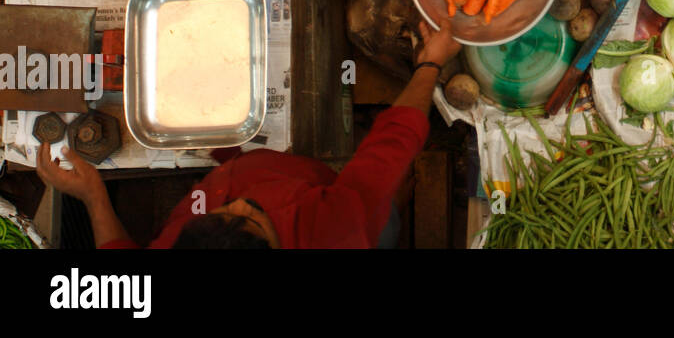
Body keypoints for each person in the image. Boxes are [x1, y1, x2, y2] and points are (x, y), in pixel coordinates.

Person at [36, 23, 461, 248]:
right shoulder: (337, 230)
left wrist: (93, 194)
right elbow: (392, 144)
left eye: (219, 214)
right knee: (381, 212)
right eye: (249, 218)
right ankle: (394, 210)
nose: (236, 203)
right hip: (330, 193)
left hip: (246, 160)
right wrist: (430, 65)